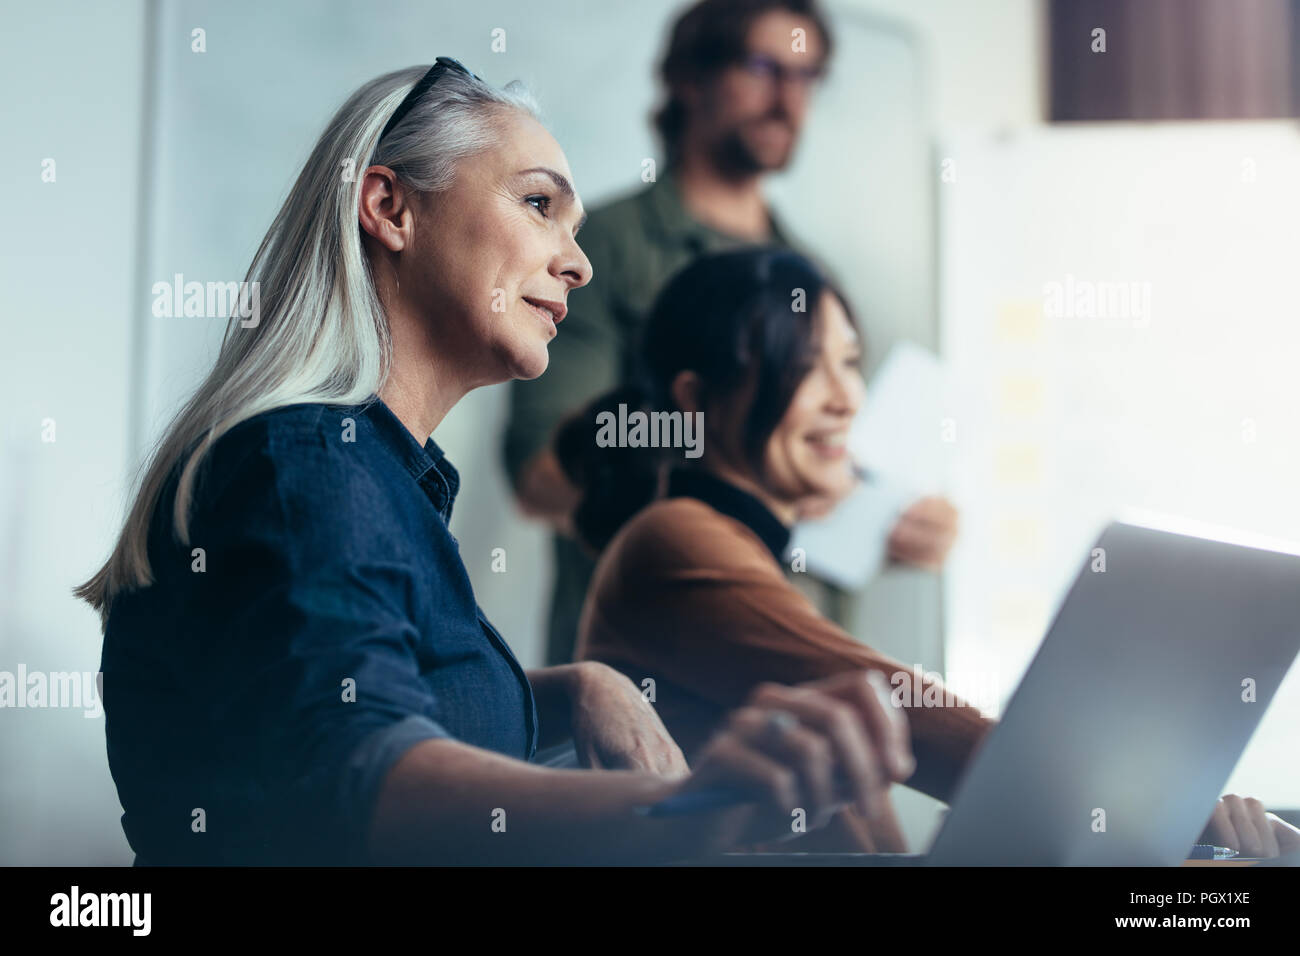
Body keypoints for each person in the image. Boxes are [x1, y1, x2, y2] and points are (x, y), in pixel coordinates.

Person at [74, 59, 913, 865]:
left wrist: (573, 689)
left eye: (575, 230)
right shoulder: (307, 468)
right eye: (539, 204)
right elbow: (360, 778)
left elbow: (399, 707)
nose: (577, 263)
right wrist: (697, 812)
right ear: (390, 209)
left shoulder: (377, 478)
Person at [559, 246, 1300, 857]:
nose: (846, 398)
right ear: (695, 399)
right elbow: (901, 713)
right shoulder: (676, 539)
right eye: (804, 365)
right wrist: (1162, 811)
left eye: (850, 363)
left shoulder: (742, 551)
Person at [504, 0, 959, 667]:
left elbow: (824, 472)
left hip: (806, 663)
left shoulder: (811, 275)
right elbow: (541, 473)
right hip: (649, 681)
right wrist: (742, 458)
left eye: (807, 76)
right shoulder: (600, 247)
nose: (788, 97)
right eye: (763, 67)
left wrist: (887, 517)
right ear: (690, 78)